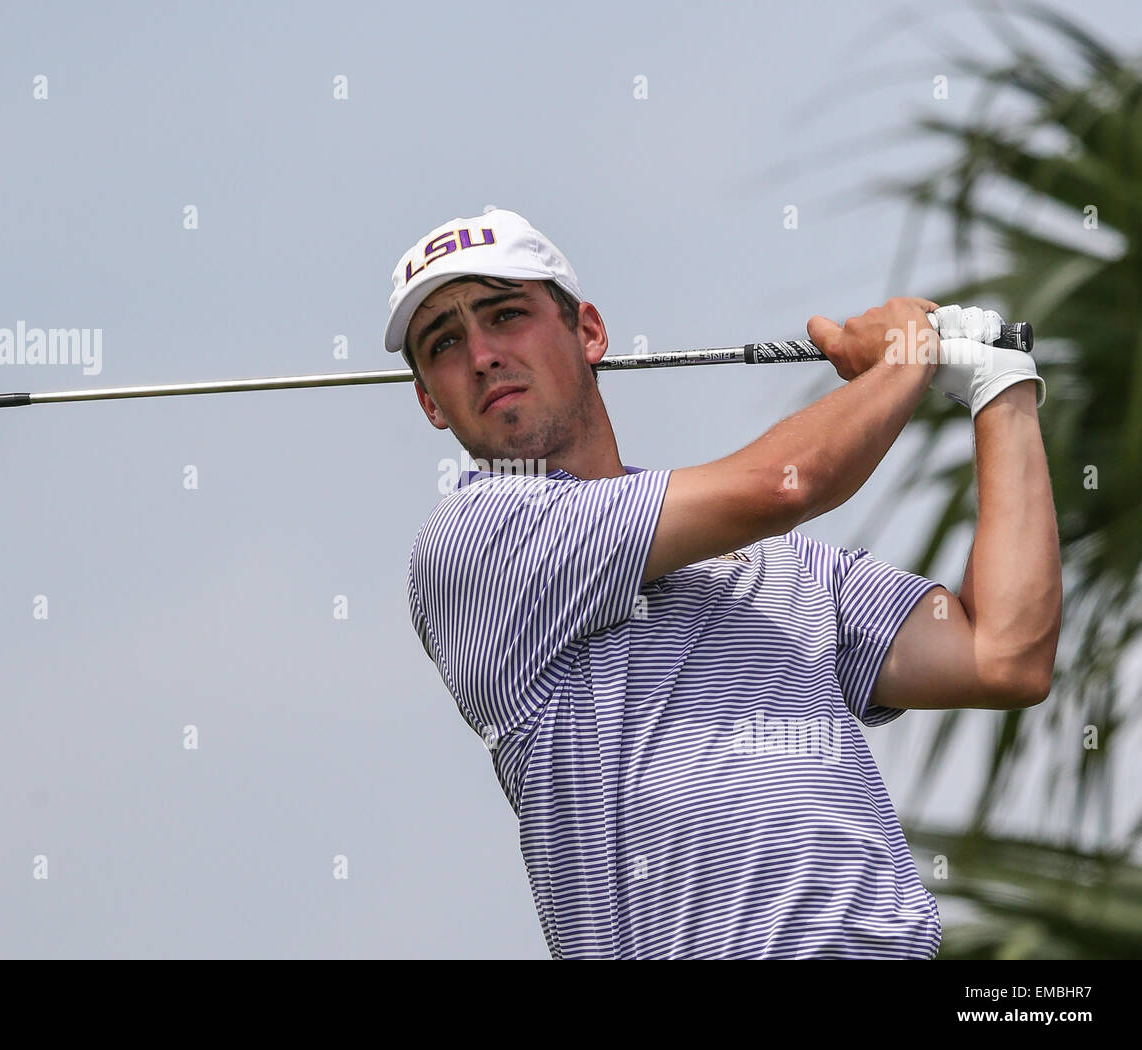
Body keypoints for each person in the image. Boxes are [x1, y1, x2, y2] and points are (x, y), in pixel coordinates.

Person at [383, 208, 1061, 960]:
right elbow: (783, 485)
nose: (481, 355)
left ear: (589, 334)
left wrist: (1002, 390)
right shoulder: (475, 542)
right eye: (444, 343)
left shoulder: (787, 566)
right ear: (429, 402)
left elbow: (1004, 654)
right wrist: (907, 358)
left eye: (506, 315)